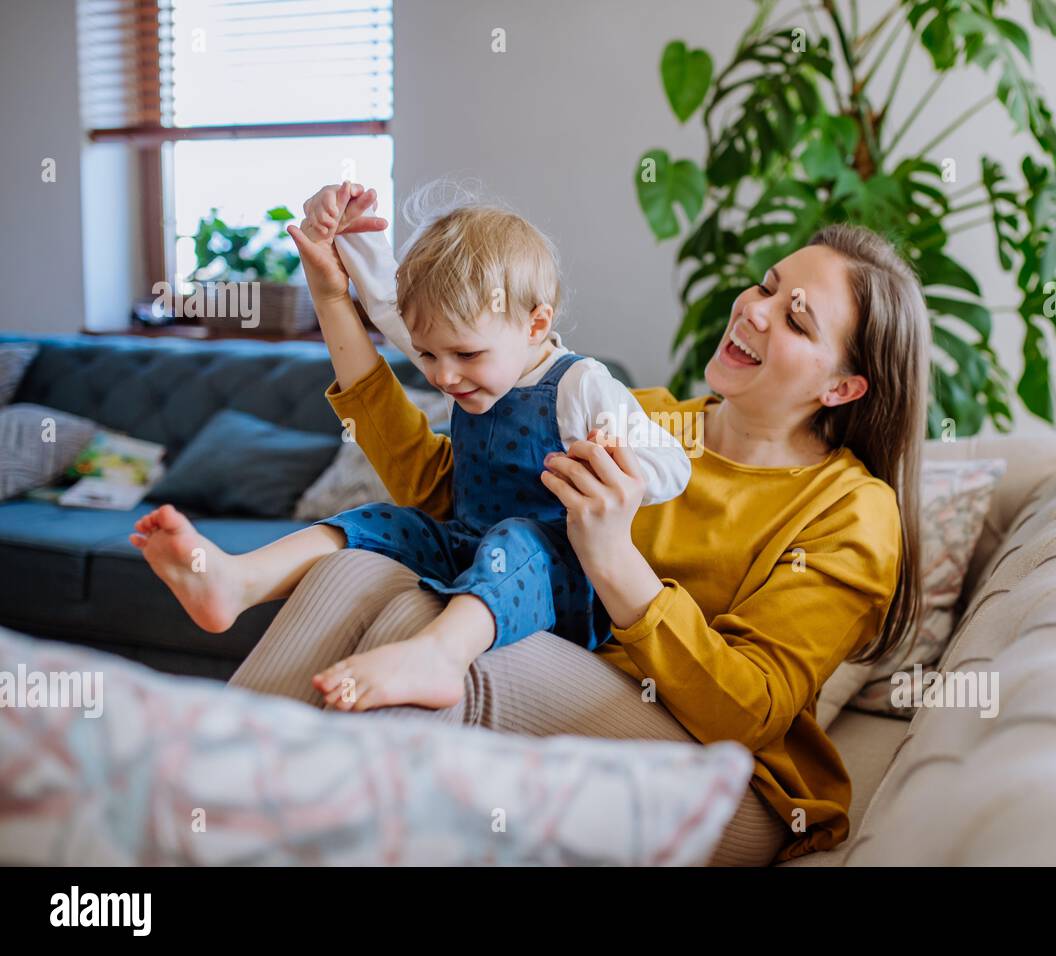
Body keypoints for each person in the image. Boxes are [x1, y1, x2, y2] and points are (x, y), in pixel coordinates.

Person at [230, 182, 931, 866]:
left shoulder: (852, 511)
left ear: (840, 388)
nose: (756, 310)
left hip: (731, 778)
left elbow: (749, 714)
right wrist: (332, 297)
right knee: (356, 567)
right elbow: (442, 500)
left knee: (422, 646)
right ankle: (189, 794)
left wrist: (612, 560)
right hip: (579, 679)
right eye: (768, 285)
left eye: (797, 319)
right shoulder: (647, 417)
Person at [132, 183, 690, 712]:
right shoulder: (457, 346)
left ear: (536, 324)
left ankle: (440, 655)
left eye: (466, 357)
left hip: (559, 580)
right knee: (383, 519)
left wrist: (614, 465)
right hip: (469, 544)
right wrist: (348, 234)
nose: (444, 376)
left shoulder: (580, 385)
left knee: (519, 538)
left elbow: (674, 464)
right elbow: (384, 302)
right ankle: (240, 580)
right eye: (427, 356)